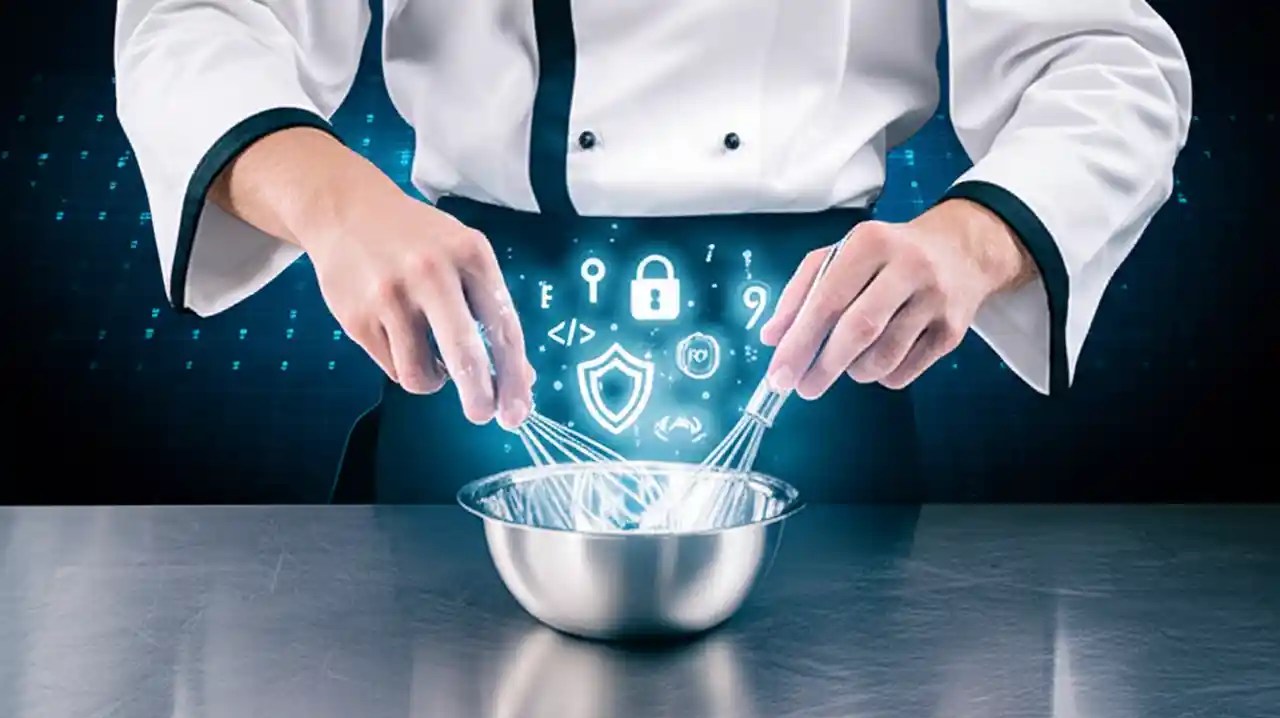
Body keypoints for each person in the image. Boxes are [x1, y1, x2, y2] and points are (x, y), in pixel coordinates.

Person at [113, 1, 1191, 503]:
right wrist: (338, 199)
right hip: (472, 348)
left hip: (819, 365)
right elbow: (195, 22)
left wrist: (972, 236)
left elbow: (1107, 61)